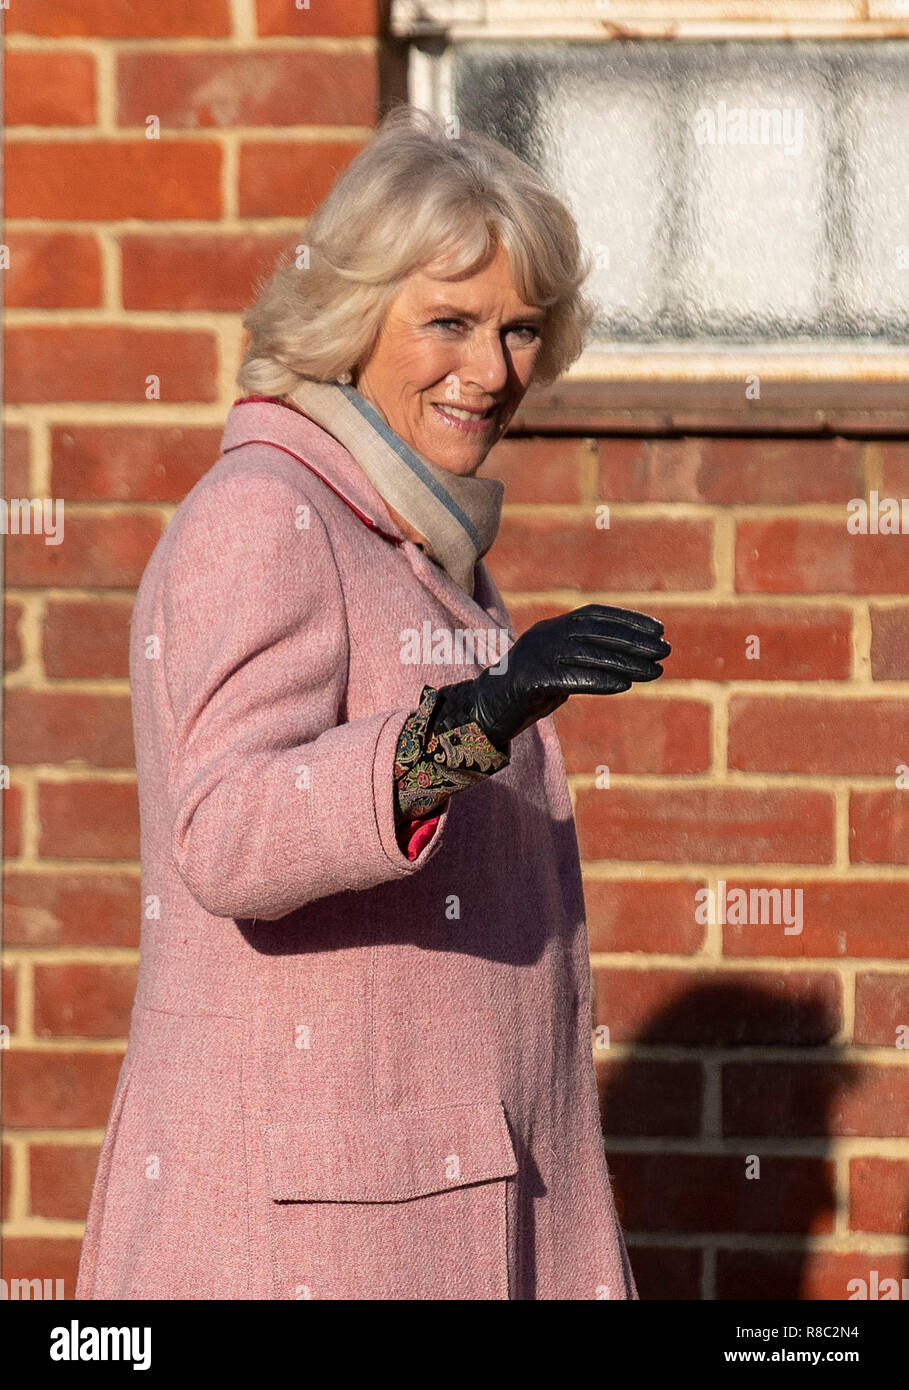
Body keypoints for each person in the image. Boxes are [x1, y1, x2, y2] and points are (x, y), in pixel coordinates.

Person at [75, 102, 670, 1301]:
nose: (493, 371)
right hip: (320, 1239)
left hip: (421, 1211)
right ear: (351, 322)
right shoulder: (268, 510)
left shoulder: (411, 535)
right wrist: (474, 721)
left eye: (517, 330)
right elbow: (228, 830)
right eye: (447, 322)